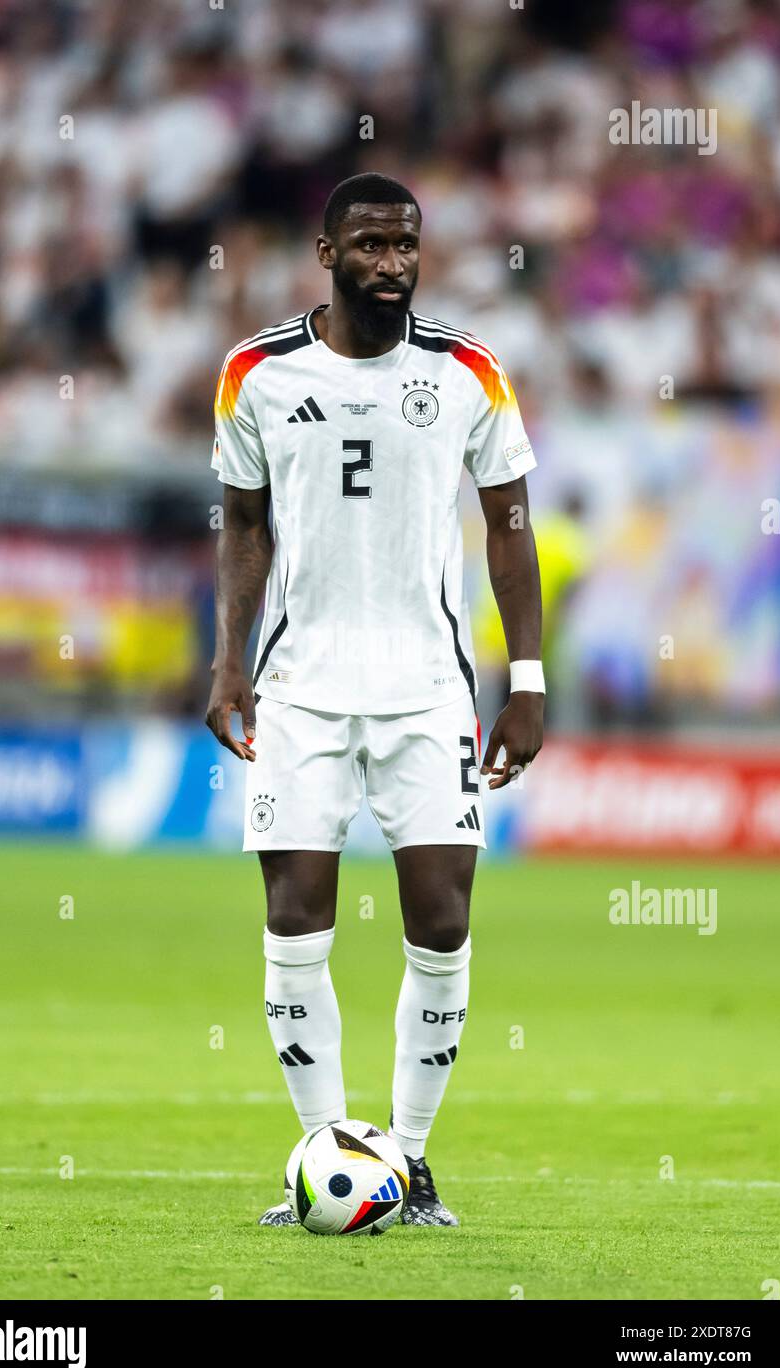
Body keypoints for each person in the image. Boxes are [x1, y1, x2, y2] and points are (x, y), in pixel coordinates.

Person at [205, 172, 544, 1226]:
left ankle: (406, 1156)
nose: (391, 263)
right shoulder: (255, 372)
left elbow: (510, 529)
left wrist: (523, 679)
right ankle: (319, 1151)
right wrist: (228, 662)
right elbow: (243, 527)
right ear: (326, 253)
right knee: (292, 918)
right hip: (300, 690)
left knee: (440, 923)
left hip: (424, 692)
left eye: (405, 245)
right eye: (369, 245)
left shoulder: (467, 371)